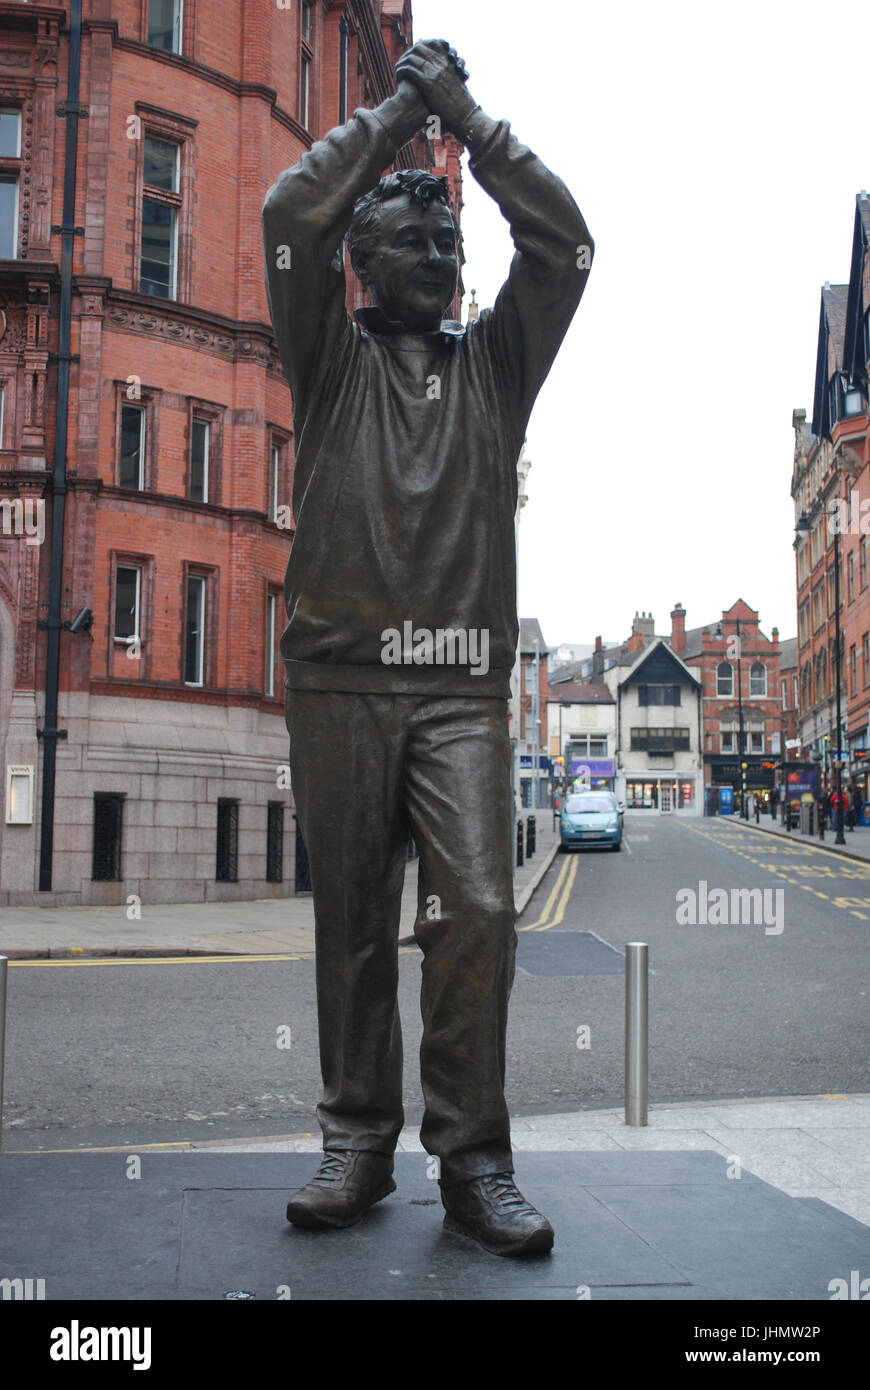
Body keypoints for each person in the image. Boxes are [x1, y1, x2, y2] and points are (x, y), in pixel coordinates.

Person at [262, 38, 592, 1257]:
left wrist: (473, 126)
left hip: (459, 689)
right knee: (349, 919)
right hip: (339, 677)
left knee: (480, 915)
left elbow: (564, 245)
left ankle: (476, 1156)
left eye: (455, 241)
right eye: (424, 234)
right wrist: (398, 111)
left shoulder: (495, 369)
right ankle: (356, 1135)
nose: (450, 253)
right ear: (359, 266)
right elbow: (290, 209)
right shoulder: (329, 365)